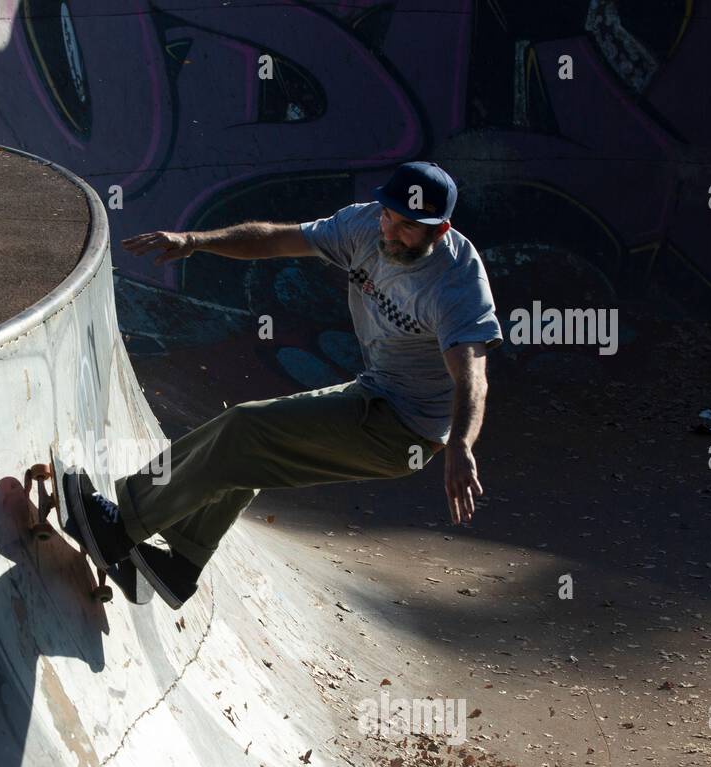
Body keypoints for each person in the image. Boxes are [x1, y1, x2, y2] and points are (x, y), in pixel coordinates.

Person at [65, 161, 502, 609]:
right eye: (388, 217)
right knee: (251, 451)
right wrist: (195, 242)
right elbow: (276, 238)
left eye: (408, 228)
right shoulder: (363, 225)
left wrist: (462, 444)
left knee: (246, 432)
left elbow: (471, 375)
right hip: (371, 392)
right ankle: (181, 563)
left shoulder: (457, 287)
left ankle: (120, 528)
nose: (390, 234)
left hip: (404, 431)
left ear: (442, 229)